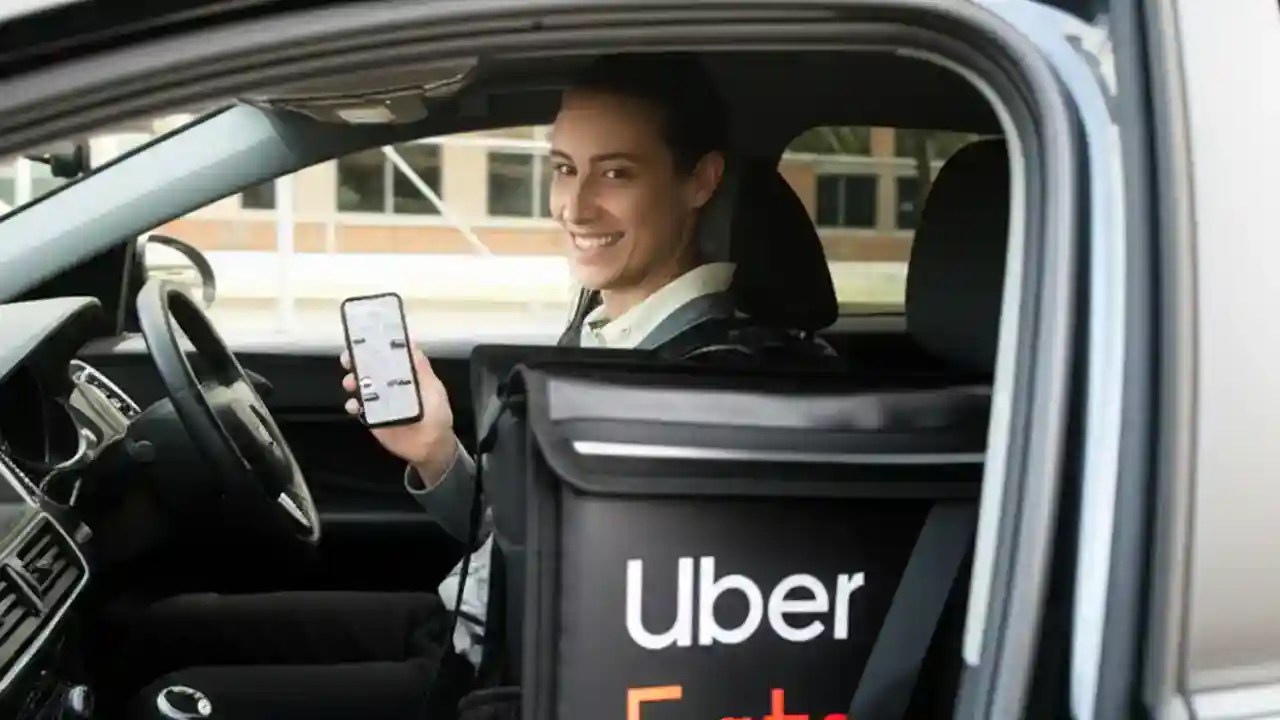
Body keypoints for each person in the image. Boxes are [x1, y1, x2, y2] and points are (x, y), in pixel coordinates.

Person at [106, 53, 767, 720]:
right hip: (467, 620)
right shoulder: (611, 332)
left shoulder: (705, 381)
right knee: (159, 630)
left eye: (616, 173)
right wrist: (437, 451)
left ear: (700, 181)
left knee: (167, 708)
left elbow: (620, 608)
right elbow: (535, 540)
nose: (574, 205)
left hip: (505, 678)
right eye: (564, 168)